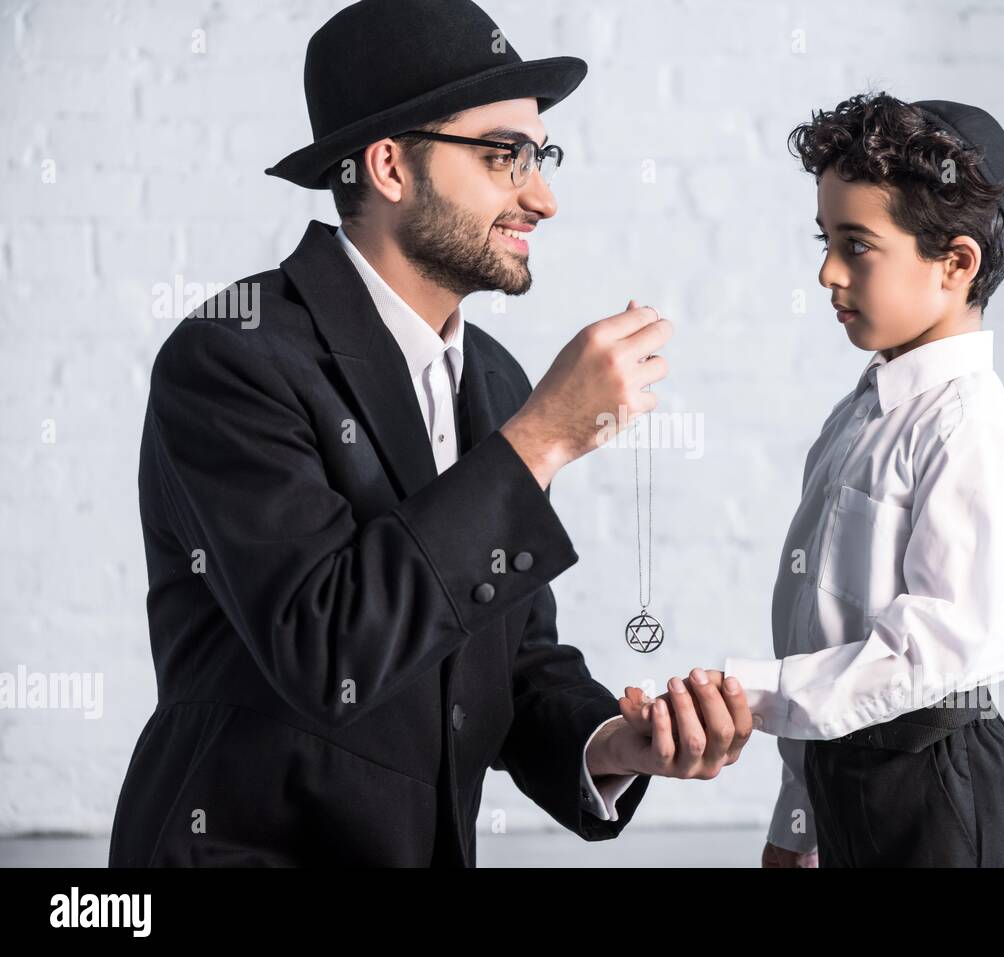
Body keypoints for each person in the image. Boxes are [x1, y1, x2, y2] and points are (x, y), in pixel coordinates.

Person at [108, 0, 752, 868]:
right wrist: (541, 439)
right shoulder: (231, 355)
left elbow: (510, 661)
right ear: (388, 166)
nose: (544, 196)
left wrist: (615, 745)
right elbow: (327, 643)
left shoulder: (494, 377)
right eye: (503, 157)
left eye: (541, 156)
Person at [625, 92, 1004, 868]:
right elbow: (825, 633)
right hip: (844, 773)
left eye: (857, 244)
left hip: (939, 795)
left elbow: (928, 651)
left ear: (957, 263)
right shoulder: (858, 415)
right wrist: (798, 819)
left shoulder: (974, 433)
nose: (826, 271)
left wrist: (747, 695)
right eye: (825, 239)